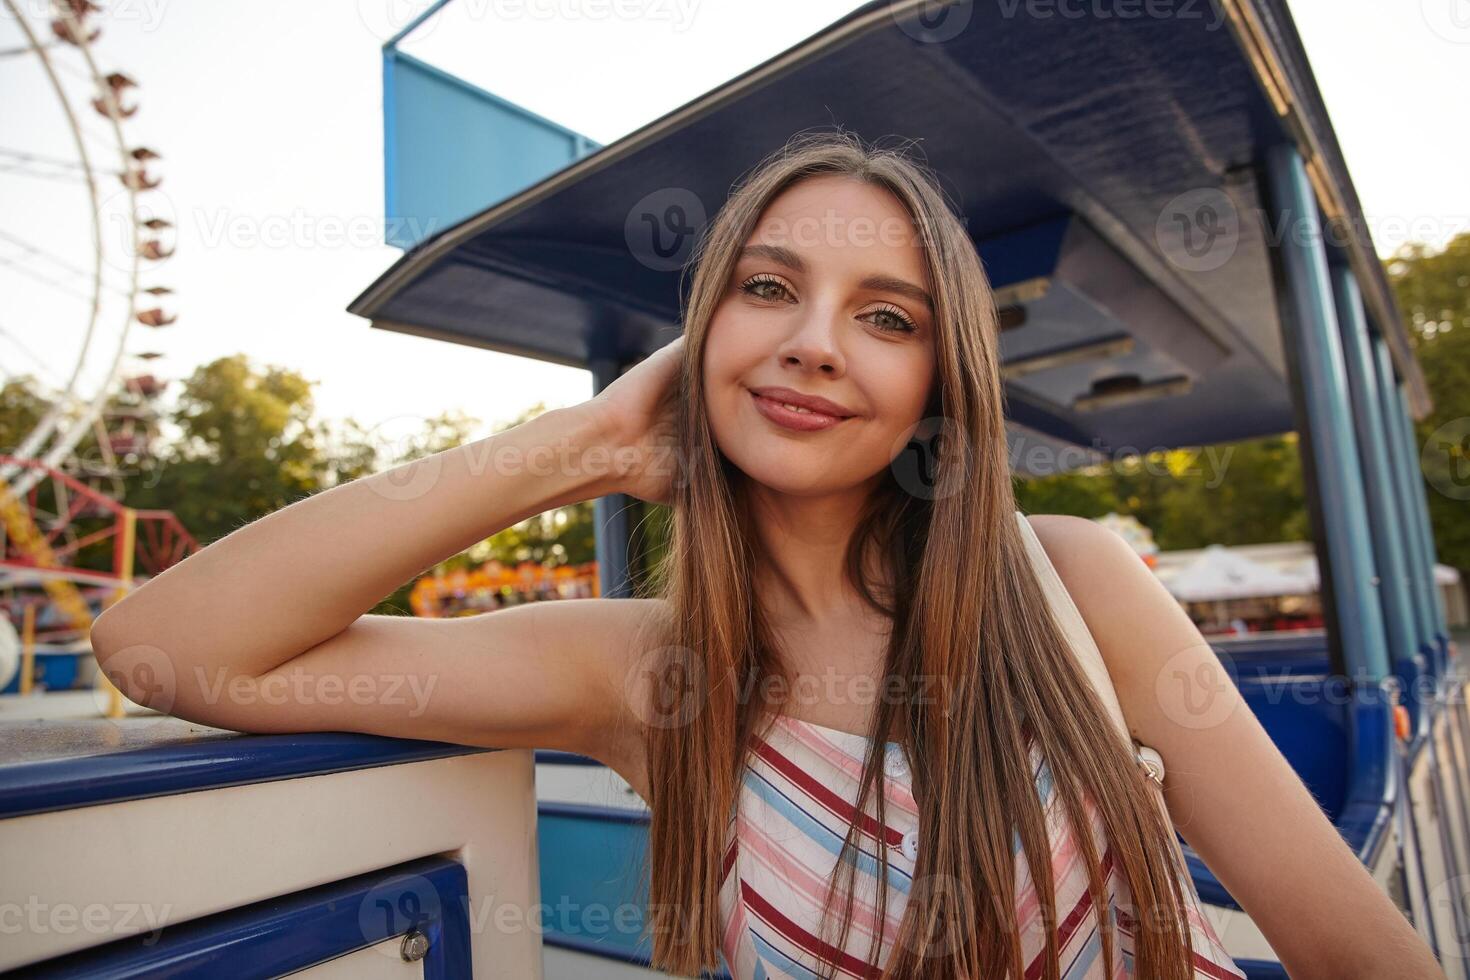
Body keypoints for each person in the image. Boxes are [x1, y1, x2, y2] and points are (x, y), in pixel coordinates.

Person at [91, 131, 1443, 980]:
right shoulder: (646, 671)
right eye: (769, 289)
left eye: (885, 315)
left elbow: (1349, 950)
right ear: (706, 332)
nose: (811, 342)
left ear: (939, 387)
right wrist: (595, 438)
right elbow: (166, 648)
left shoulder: (1074, 580)